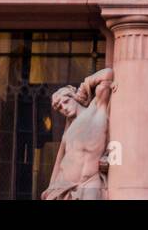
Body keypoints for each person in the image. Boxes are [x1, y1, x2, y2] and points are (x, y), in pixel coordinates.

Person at [42, 67, 115, 200]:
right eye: (59, 107)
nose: (64, 108)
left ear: (74, 97)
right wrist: (51, 188)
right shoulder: (68, 131)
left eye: (66, 101)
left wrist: (84, 87)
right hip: (63, 185)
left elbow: (108, 74)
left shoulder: (96, 109)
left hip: (90, 182)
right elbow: (59, 162)